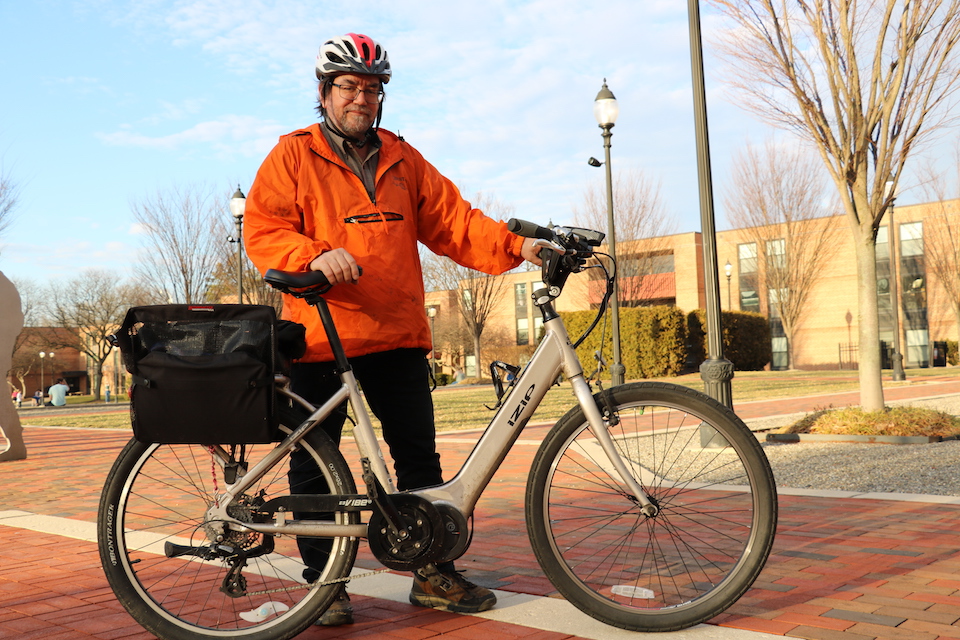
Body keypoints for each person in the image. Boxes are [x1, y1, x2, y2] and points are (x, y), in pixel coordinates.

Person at [243, 33, 541, 627]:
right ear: (325, 92)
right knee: (316, 466)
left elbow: (456, 222)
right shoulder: (292, 156)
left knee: (417, 461)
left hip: (398, 333)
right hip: (321, 333)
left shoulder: (404, 159)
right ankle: (324, 584)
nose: (362, 98)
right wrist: (315, 255)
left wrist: (520, 245)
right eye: (350, 86)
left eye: (373, 89)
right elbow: (263, 228)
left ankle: (433, 575)